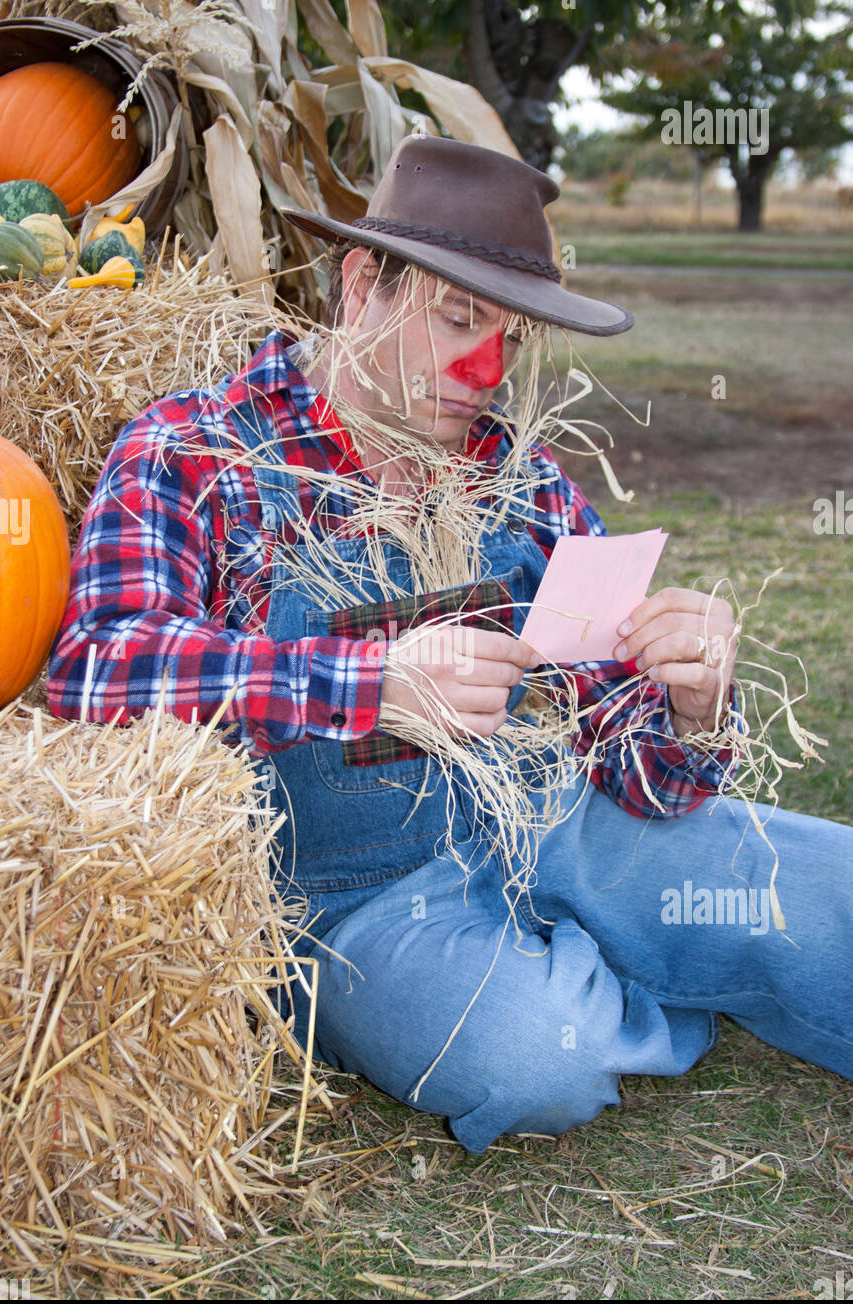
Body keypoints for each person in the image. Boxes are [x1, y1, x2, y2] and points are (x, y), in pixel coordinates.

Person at [48, 135, 853, 1155]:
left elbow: (640, 770)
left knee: (830, 890)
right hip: (354, 904)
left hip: (544, 821)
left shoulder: (521, 480)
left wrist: (688, 710)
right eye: (457, 317)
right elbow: (97, 668)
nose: (483, 370)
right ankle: (613, 974)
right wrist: (365, 683)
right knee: (536, 1062)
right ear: (360, 285)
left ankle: (596, 940)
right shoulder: (196, 450)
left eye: (509, 340)